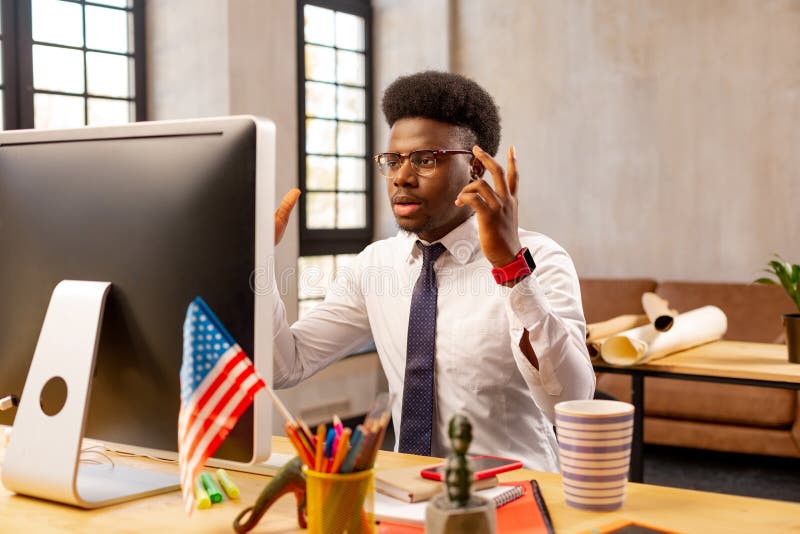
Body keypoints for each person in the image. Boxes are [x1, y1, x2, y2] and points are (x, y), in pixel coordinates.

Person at [271, 71, 594, 471]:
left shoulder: (541, 258)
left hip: (513, 492)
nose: (402, 177)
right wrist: (254, 256)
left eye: (425, 160)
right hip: (407, 491)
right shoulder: (375, 265)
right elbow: (287, 365)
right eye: (393, 161)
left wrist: (512, 270)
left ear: (476, 168)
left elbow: (571, 402)